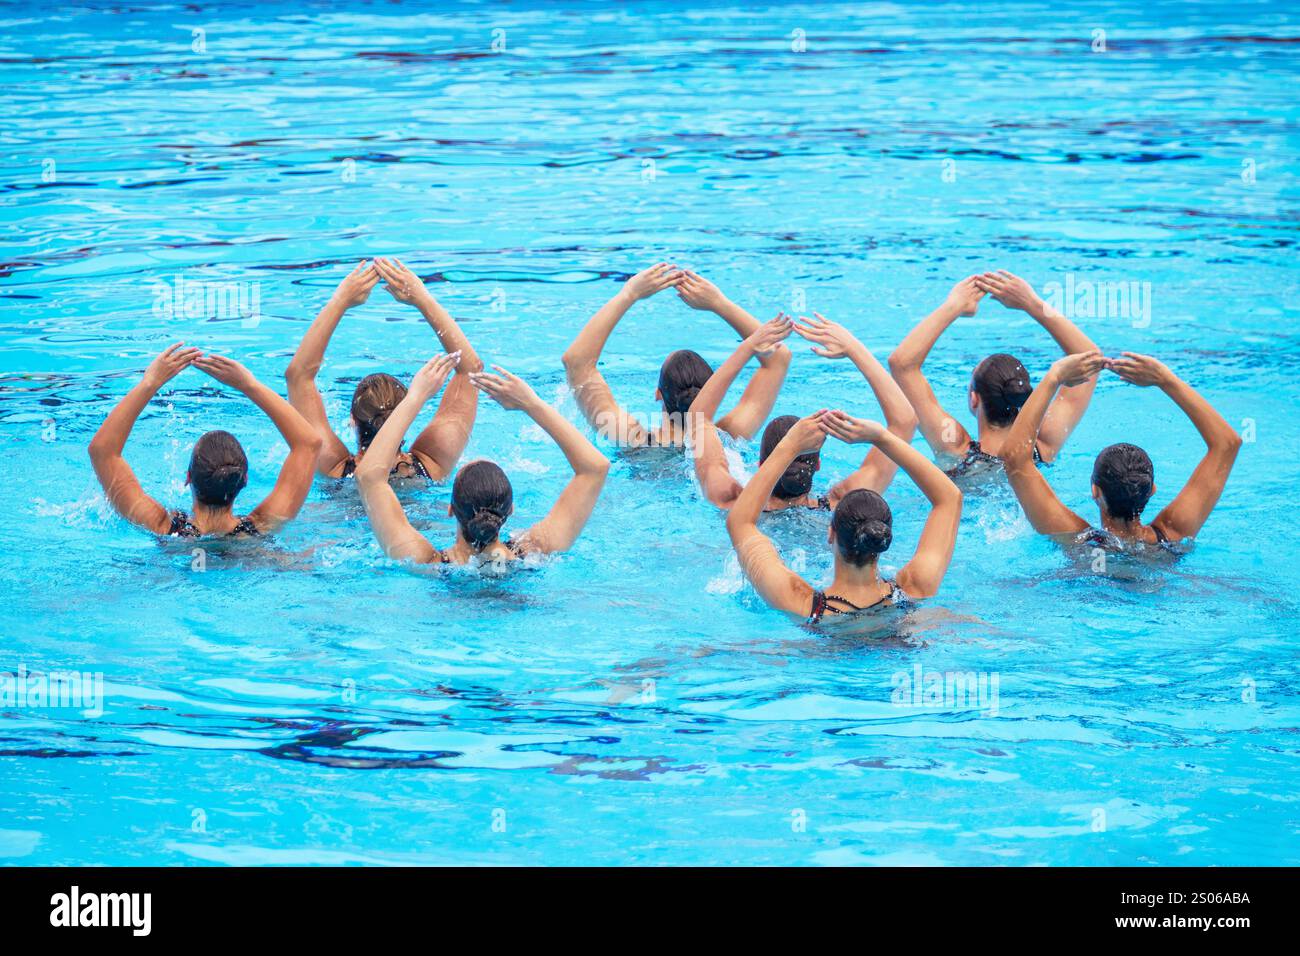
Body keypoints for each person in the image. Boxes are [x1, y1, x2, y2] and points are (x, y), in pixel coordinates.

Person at [356, 354, 610, 565]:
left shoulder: (428, 563)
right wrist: (532, 404)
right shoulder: (534, 553)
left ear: (450, 509)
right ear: (510, 510)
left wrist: (415, 397)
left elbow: (369, 476)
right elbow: (595, 467)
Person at [726, 411, 962, 624]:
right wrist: (882, 437)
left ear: (831, 533)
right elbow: (949, 498)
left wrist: (789, 446)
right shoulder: (915, 588)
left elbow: (740, 522)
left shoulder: (802, 604)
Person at [1002, 350, 1242, 548]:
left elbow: (1015, 458)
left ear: (1095, 491)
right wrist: (1166, 380)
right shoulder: (1172, 535)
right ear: (1152, 491)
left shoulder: (1077, 541)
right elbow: (1227, 444)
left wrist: (1054, 377)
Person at [690, 313, 918, 512]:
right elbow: (905, 422)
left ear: (762, 466)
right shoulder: (841, 507)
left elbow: (697, 420)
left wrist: (748, 347)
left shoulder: (733, 503)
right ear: (817, 465)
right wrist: (854, 348)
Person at [88, 344, 321, 537]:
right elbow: (308, 444)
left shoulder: (164, 527)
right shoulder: (263, 526)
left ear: (188, 478)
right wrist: (249, 385)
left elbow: (102, 451)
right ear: (245, 479)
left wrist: (150, 382)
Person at [285, 257, 483, 481]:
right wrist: (422, 298)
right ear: (406, 415)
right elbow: (470, 370)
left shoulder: (333, 467)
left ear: (353, 420)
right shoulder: (433, 462)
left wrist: (340, 301)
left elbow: (298, 376)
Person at [888, 272, 1099, 477]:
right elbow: (1091, 360)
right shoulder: (1044, 445)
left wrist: (953, 306)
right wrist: (1032, 303)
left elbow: (902, 364)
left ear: (974, 399)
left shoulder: (955, 449)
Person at [561, 264, 790, 448]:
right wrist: (720, 304)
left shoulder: (631, 440)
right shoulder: (729, 438)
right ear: (714, 391)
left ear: (658, 394)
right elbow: (778, 359)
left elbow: (576, 362)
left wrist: (629, 294)